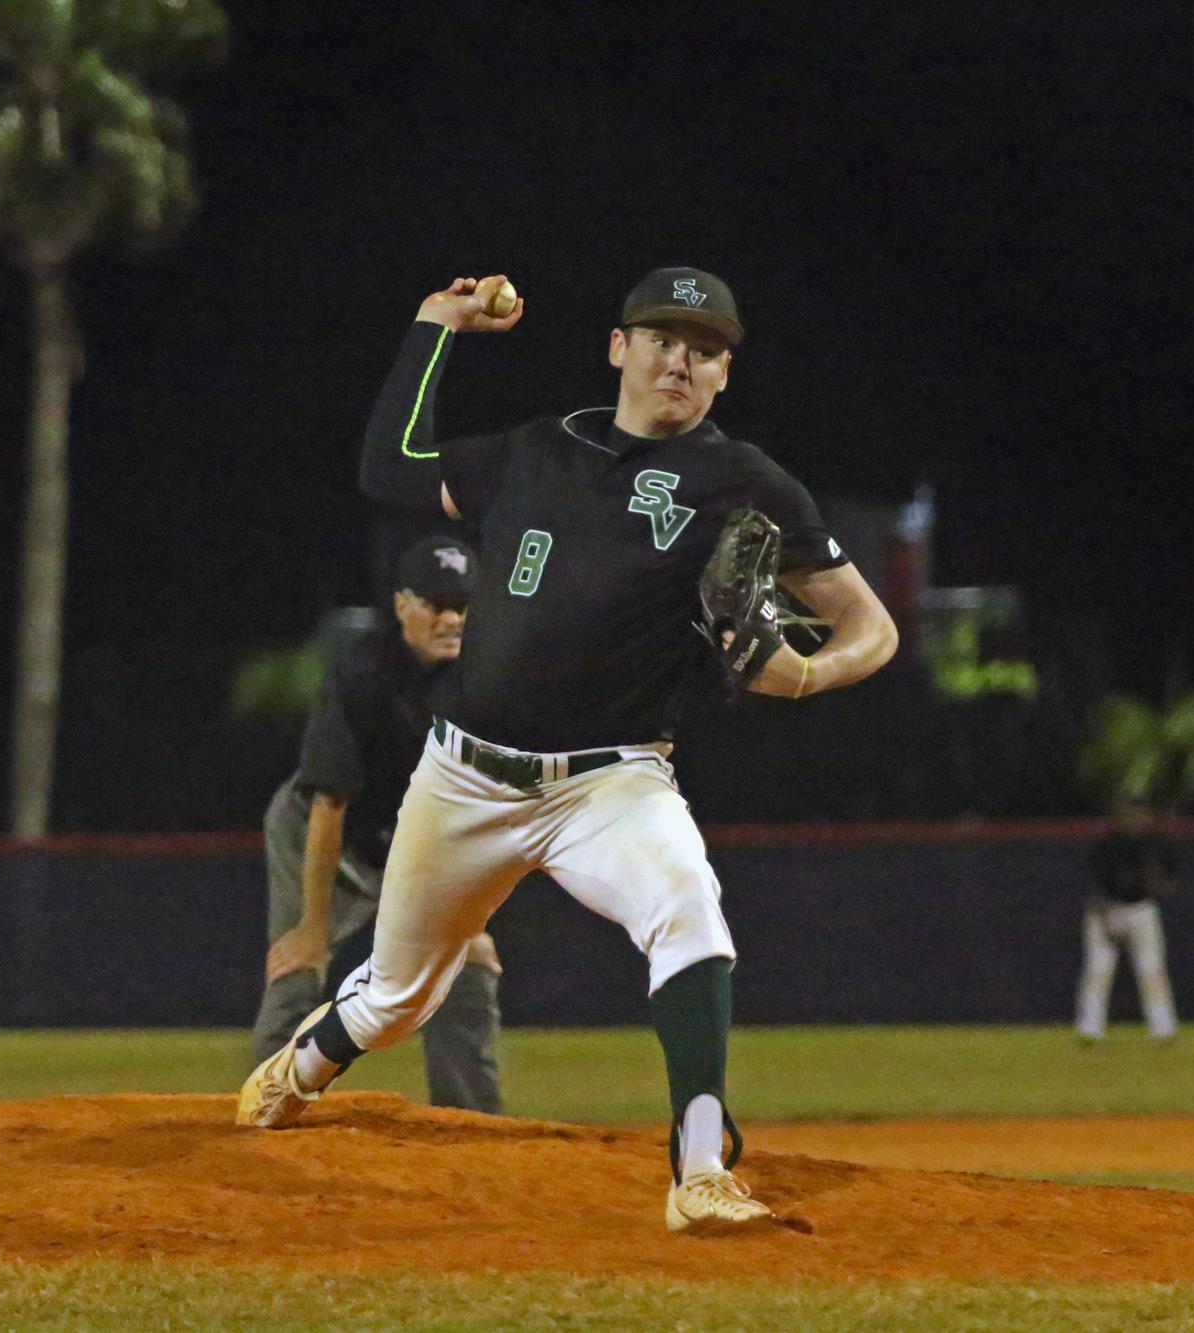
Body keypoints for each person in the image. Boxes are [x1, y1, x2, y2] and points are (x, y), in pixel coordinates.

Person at [238, 266, 899, 1233]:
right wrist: (433, 325)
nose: (682, 358)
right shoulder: (537, 450)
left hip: (613, 781)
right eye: (664, 336)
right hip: (464, 774)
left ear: (722, 376)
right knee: (394, 1001)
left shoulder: (745, 483)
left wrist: (807, 674)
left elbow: (869, 625)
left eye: (707, 348)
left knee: (691, 914)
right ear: (617, 347)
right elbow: (389, 469)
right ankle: (302, 1065)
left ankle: (702, 1165)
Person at [247, 535, 504, 1114]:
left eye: (463, 606)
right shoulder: (360, 670)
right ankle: (255, 1122)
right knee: (297, 972)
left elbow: (484, 821)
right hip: (324, 833)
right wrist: (313, 928)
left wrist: (472, 922)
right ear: (402, 605)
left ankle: (475, 1132)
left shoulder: (485, 684)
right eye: (436, 604)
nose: (451, 618)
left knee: (469, 972)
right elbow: (328, 803)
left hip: (417, 847)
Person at [1075, 799, 1181, 1043]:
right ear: (1116, 819)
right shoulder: (1105, 848)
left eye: (1139, 815)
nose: (1135, 820)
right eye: (1128, 815)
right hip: (1106, 910)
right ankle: (1089, 1029)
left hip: (1142, 910)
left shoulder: (1156, 846)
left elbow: (1171, 881)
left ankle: (1163, 1027)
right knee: (1098, 970)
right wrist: (1105, 919)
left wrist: (1162, 885)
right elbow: (1096, 885)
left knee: (1152, 970)